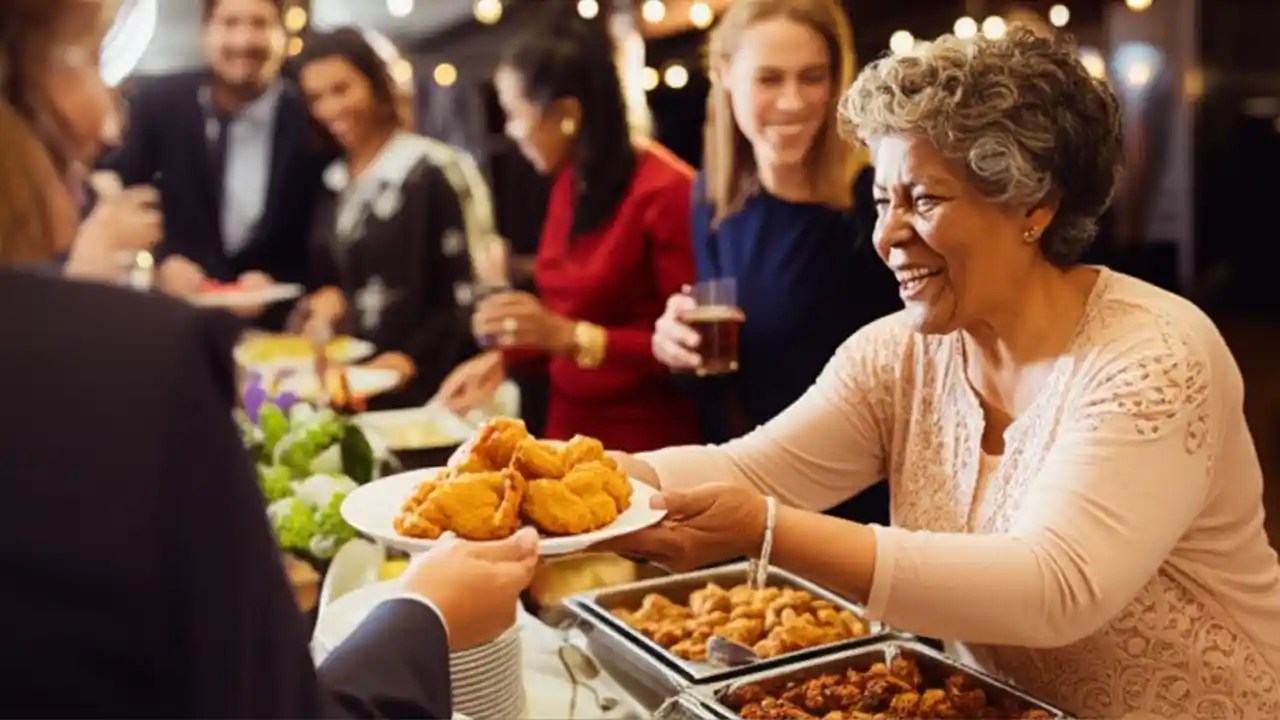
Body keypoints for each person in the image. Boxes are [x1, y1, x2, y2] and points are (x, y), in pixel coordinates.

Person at [604, 28, 1280, 718]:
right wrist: (578, 480)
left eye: (923, 199)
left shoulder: (1156, 352)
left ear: (1032, 206)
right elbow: (750, 471)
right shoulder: (897, 354)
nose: (886, 235)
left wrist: (768, 533)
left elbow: (1056, 586)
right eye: (879, 201)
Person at [0, 1, 536, 716]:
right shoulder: (142, 363)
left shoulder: (410, 167)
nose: (110, 122)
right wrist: (426, 612)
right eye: (83, 61)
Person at [649, 0, 898, 524]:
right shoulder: (711, 201)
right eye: (769, 80)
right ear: (724, 76)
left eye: (813, 78)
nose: (792, 102)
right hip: (741, 498)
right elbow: (730, 375)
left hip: (851, 511)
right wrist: (677, 350)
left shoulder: (870, 202)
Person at [437, 9, 699, 453]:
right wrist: (505, 357)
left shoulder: (667, 190)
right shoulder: (569, 183)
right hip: (566, 433)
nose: (512, 133)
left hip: (647, 444)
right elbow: (565, 315)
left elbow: (693, 350)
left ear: (566, 114)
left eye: (515, 115)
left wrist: (565, 335)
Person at [292, 28, 490, 409]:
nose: (331, 109)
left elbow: (470, 292)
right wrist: (331, 303)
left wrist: (411, 358)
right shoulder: (335, 181)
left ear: (377, 84)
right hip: (359, 387)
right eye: (316, 97)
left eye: (341, 89)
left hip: (437, 394)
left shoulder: (433, 169)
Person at [102, 0, 330, 325]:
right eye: (230, 23)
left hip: (275, 331)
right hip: (171, 321)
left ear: (283, 35)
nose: (244, 41)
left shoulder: (311, 117)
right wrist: (157, 263)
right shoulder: (156, 104)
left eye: (260, 24)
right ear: (205, 32)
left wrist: (279, 282)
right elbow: (117, 194)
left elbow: (323, 233)